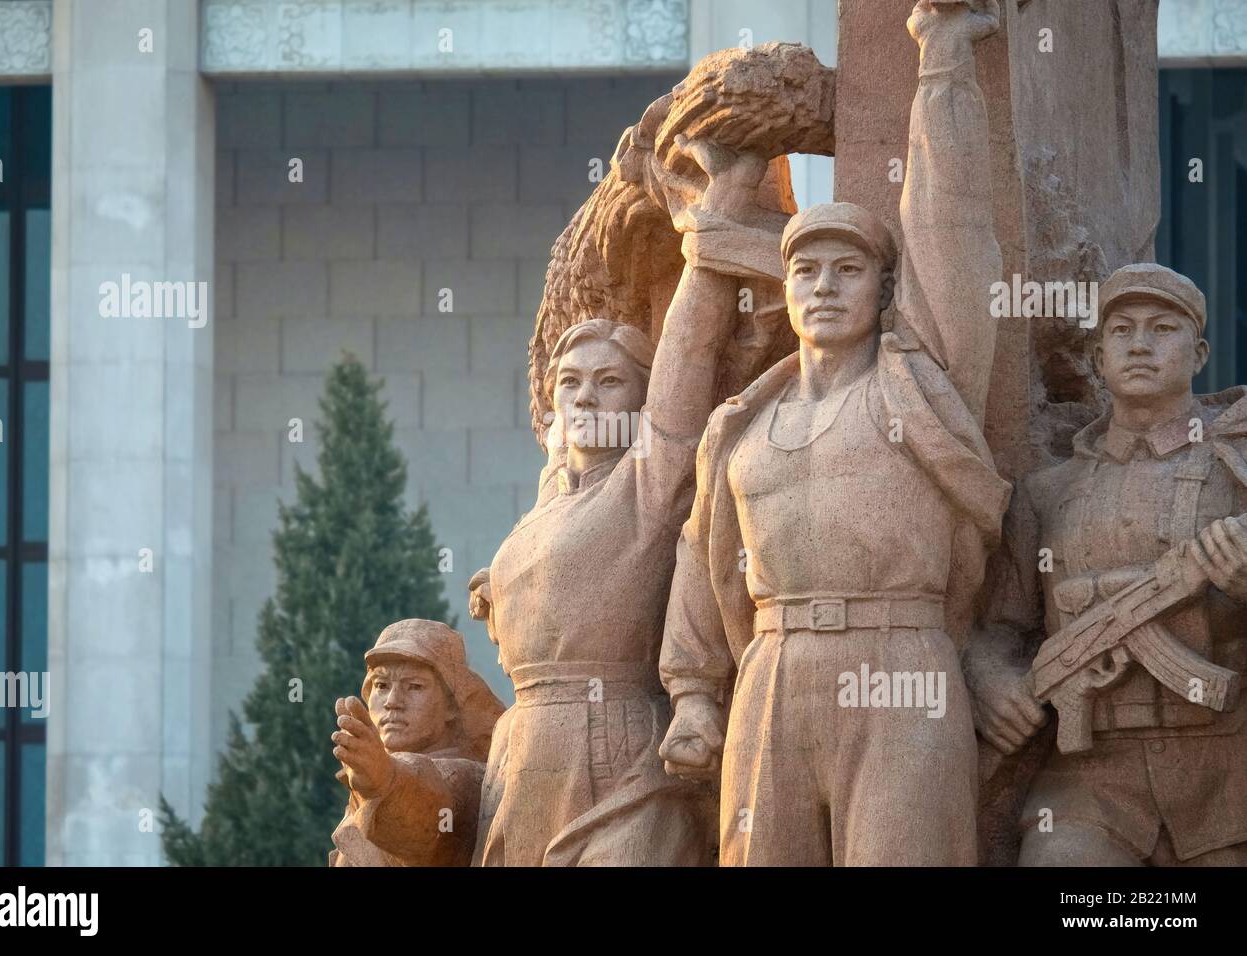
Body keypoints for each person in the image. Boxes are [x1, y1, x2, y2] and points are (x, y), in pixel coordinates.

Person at [656, 0, 1008, 865]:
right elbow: (702, 564)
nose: (821, 286)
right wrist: (697, 697)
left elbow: (950, 225)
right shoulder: (739, 428)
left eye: (847, 269)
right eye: (804, 269)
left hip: (903, 667)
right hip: (772, 675)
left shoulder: (923, 385)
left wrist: (943, 61)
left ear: (884, 291)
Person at [465, 132, 784, 866]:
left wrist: (721, 206)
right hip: (519, 766)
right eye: (570, 383)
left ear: (642, 405)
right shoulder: (540, 510)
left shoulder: (648, 483)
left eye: (610, 382)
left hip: (617, 754)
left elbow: (688, 357)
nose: (585, 396)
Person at [967, 262, 1247, 866]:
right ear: (1097, 359)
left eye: (1162, 328)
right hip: (1091, 779)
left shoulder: (1239, 472)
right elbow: (998, 630)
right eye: (1121, 331)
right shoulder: (1046, 493)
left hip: (1227, 771)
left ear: (1198, 353)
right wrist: (990, 682)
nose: (1140, 344)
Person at [329, 619, 504, 867]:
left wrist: (385, 781)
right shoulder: (370, 779)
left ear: (452, 705)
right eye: (381, 685)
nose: (393, 701)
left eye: (414, 686)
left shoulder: (471, 779)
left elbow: (426, 812)